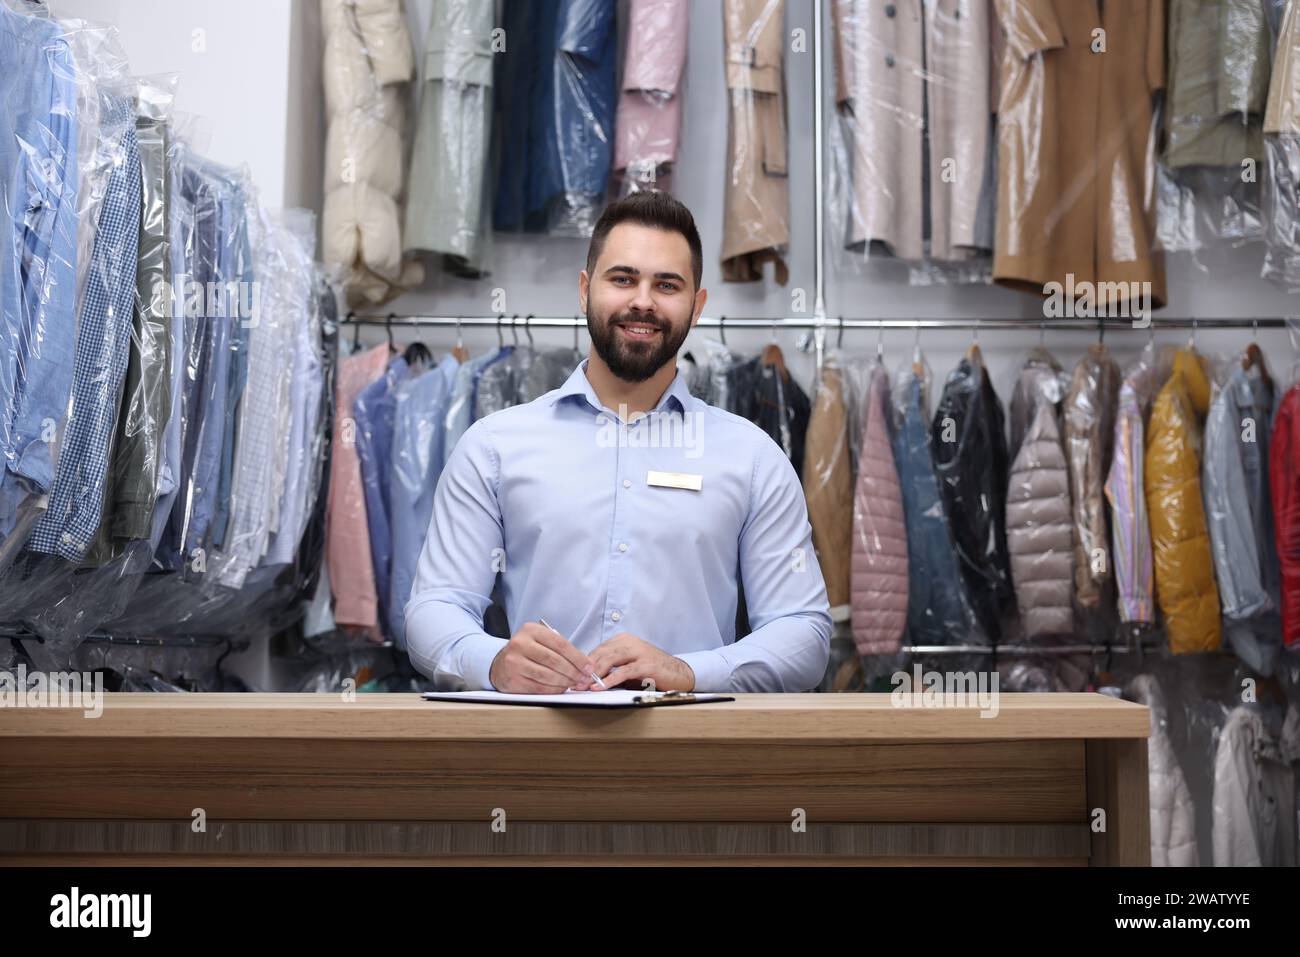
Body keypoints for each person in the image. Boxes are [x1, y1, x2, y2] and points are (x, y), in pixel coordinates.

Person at [404, 191, 830, 692]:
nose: (642, 301)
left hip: (692, 761)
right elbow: (433, 611)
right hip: (535, 758)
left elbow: (803, 632)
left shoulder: (754, 458)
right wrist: (493, 662)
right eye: (623, 278)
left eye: (666, 285)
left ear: (697, 306)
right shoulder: (493, 448)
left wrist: (690, 672)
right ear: (585, 290)